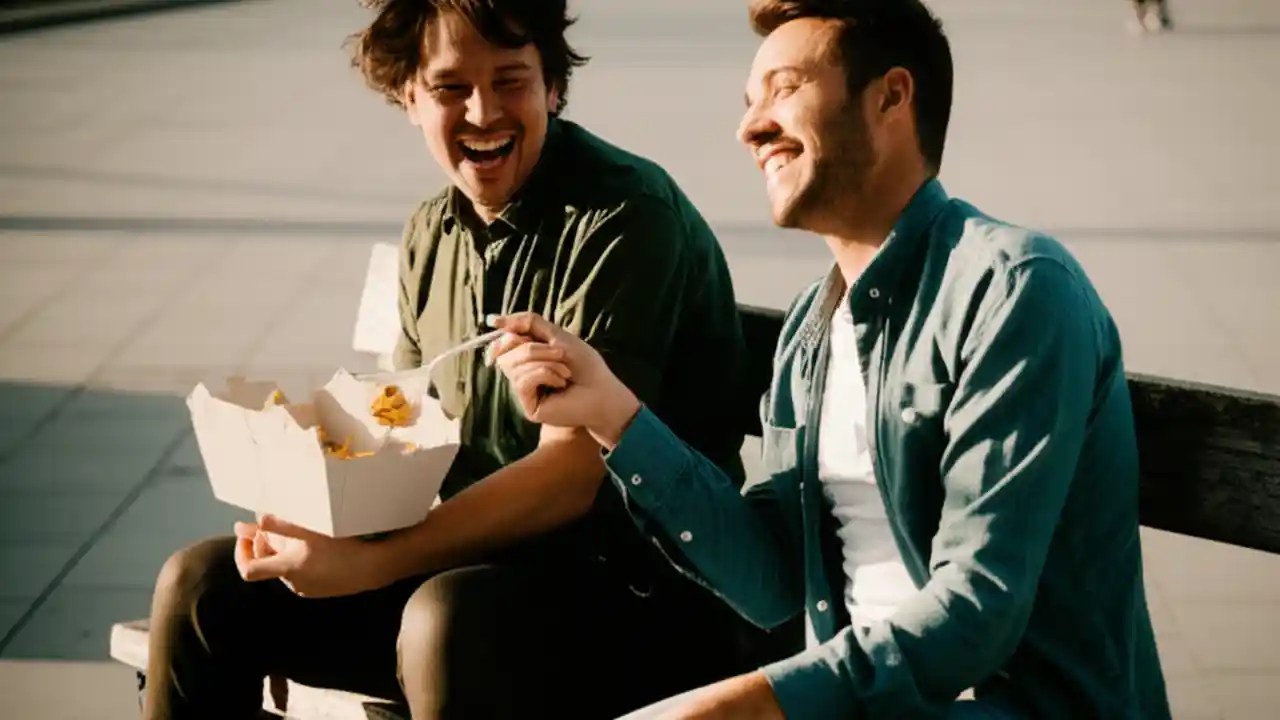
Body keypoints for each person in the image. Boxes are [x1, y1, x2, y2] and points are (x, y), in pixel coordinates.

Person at [489, 1, 1172, 717]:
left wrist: (749, 706)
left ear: (891, 97)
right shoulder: (810, 335)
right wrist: (613, 413)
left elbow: (978, 609)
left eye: (784, 89)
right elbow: (774, 582)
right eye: (750, 103)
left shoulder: (1012, 289)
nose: (750, 127)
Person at [141, 1, 769, 718]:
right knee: (202, 588)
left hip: (637, 600)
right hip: (474, 578)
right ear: (408, 95)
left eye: (511, 82)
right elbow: (404, 435)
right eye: (449, 88)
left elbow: (571, 476)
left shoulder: (625, 215)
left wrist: (374, 563)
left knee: (443, 618)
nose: (483, 112)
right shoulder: (429, 231)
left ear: (553, 87)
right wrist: (318, 516)